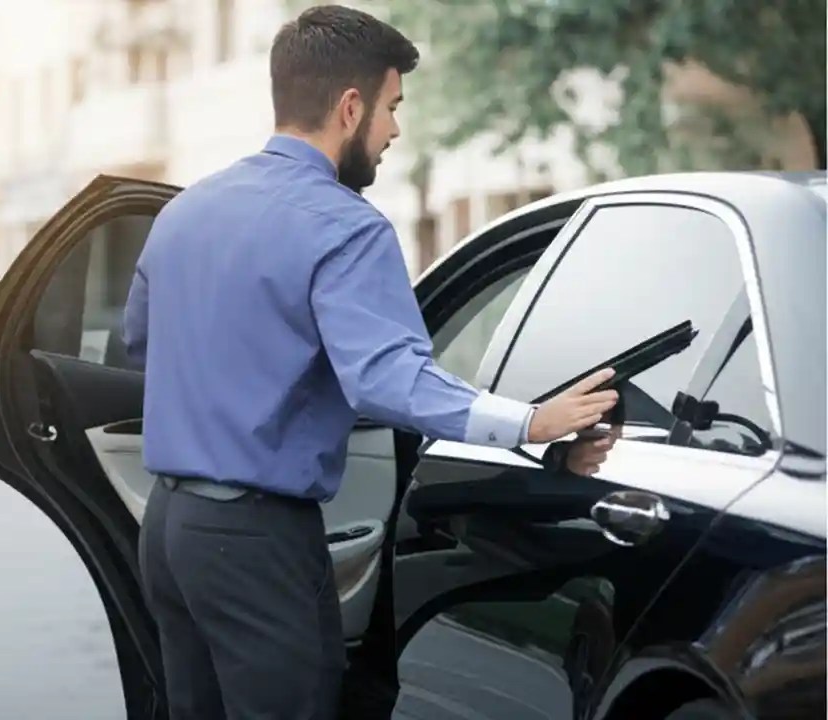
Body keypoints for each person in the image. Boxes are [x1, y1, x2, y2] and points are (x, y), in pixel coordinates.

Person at [122, 5, 620, 719]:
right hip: (255, 540)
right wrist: (532, 421)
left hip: (169, 531)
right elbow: (391, 378)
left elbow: (143, 344)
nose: (393, 132)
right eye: (391, 108)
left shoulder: (186, 211)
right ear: (350, 106)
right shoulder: (345, 226)